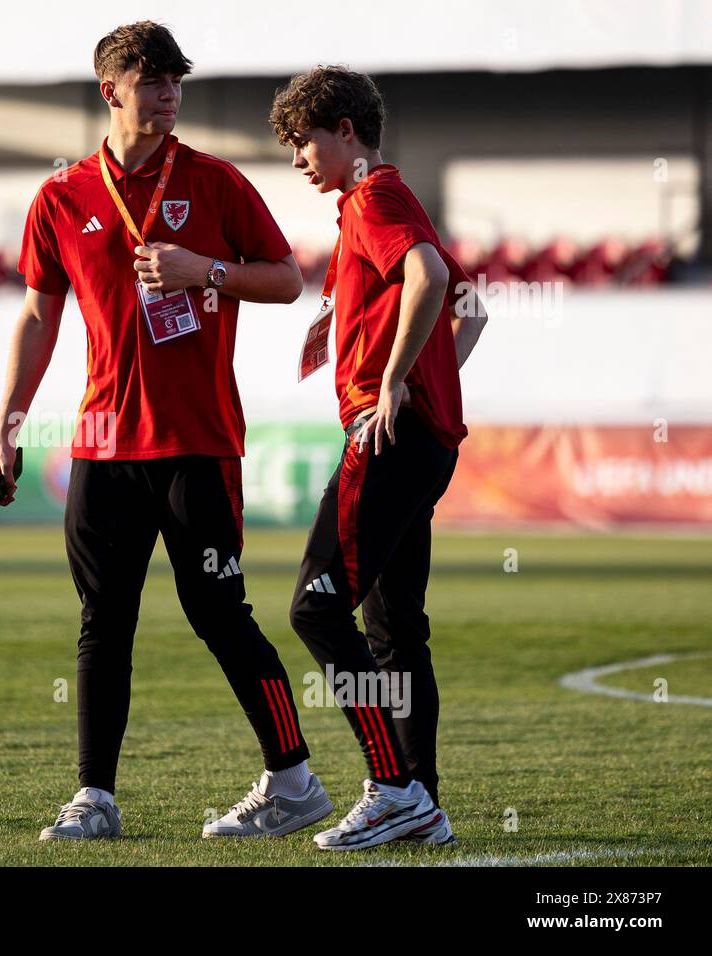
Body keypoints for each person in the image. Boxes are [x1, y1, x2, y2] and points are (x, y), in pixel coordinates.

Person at [0, 20, 332, 841]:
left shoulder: (215, 183)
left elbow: (287, 280)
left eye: (176, 80)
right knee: (103, 623)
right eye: (153, 81)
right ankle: (94, 798)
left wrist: (204, 271)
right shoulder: (62, 196)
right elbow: (39, 313)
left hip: (197, 445)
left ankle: (296, 782)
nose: (170, 94)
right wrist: (8, 425)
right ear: (112, 91)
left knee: (220, 615)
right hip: (102, 449)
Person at [269, 66, 488, 850]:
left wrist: (395, 382)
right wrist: (425, 385)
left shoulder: (371, 196)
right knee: (395, 630)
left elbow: (431, 280)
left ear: (346, 133)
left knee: (314, 608)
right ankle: (420, 801)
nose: (297, 158)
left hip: (388, 439)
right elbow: (474, 308)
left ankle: (393, 787)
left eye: (303, 141)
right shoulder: (382, 199)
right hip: (421, 440)